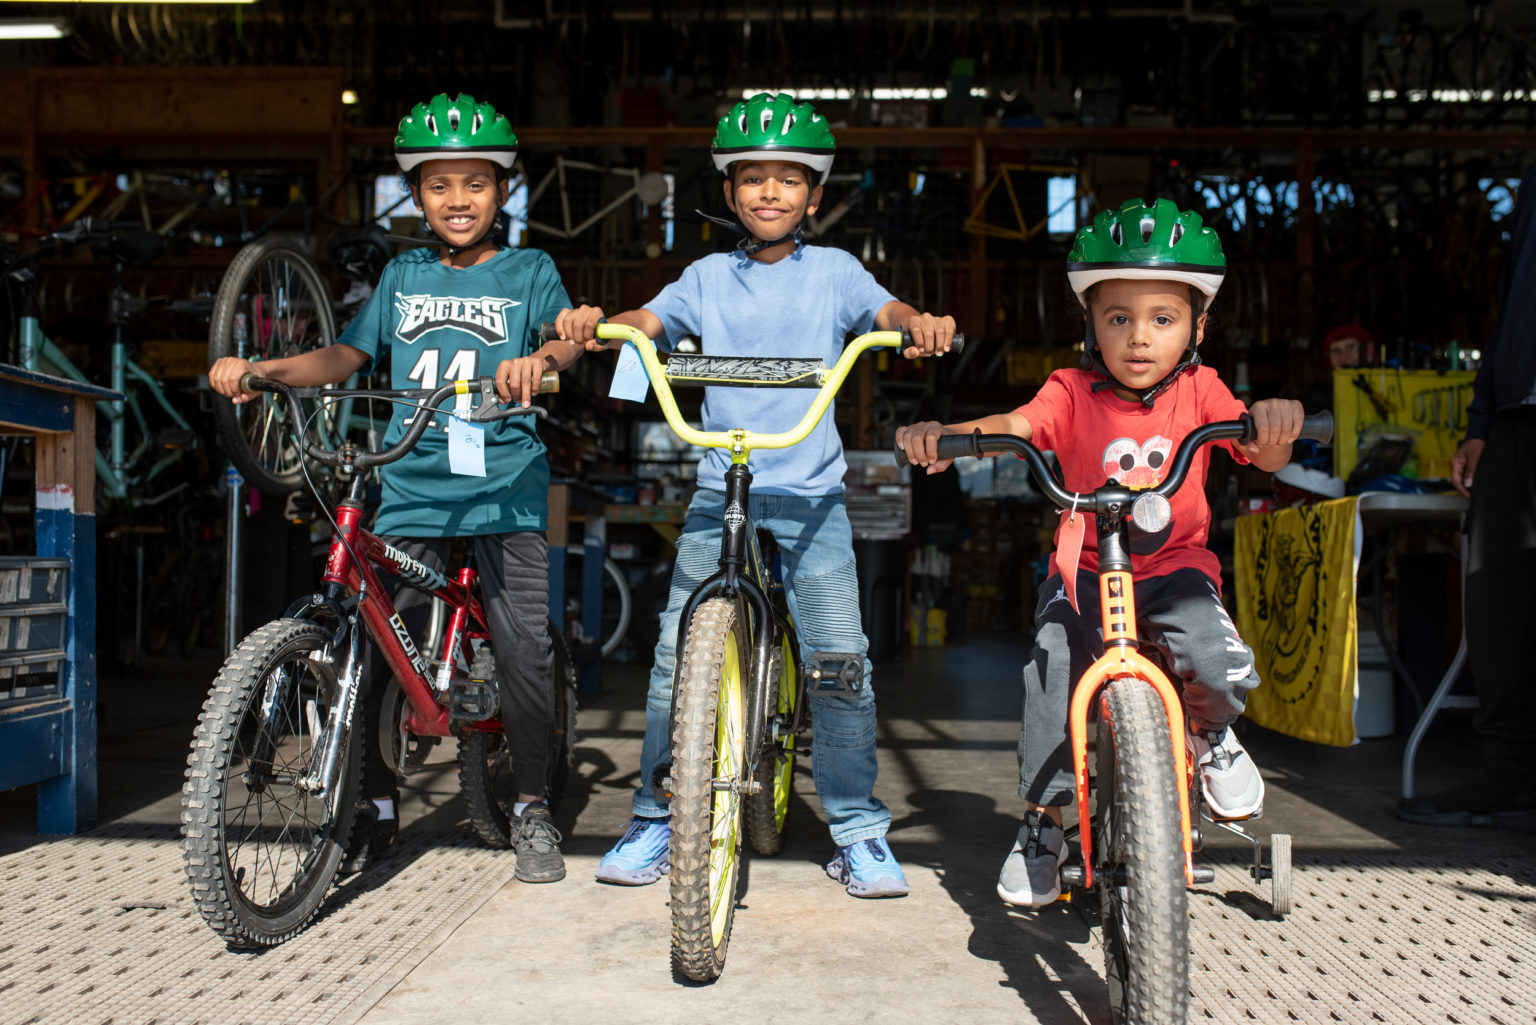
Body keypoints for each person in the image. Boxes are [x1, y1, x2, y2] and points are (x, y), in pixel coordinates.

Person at [563, 92, 955, 898]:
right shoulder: (706, 277)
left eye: (788, 178)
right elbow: (654, 318)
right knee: (677, 655)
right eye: (753, 178)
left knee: (840, 664)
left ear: (814, 194)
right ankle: (655, 817)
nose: (770, 192)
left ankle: (856, 829)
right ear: (730, 190)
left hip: (810, 498)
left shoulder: (834, 273)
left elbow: (881, 309)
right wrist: (610, 323)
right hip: (721, 488)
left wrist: (914, 320)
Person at [208, 93, 598, 883]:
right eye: (439, 185)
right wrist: (268, 370)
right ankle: (374, 805)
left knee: (523, 645)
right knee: (376, 641)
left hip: (502, 487)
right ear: (416, 195)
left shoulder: (531, 270)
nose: (458, 200)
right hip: (411, 482)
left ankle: (529, 804)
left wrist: (543, 360)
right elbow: (349, 357)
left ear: (503, 189)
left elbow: (566, 341)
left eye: (476, 183)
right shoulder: (402, 273)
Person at [896, 198, 1305, 907]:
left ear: (1197, 326)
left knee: (1214, 660)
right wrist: (953, 434)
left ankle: (1210, 734)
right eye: (1118, 317)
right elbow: (1017, 423)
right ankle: (1045, 822)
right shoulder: (1070, 390)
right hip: (1087, 572)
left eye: (1163, 319)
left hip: (1174, 569)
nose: (1139, 337)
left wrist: (1273, 424)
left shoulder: (1203, 390)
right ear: (1090, 323)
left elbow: (1258, 446)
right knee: (1052, 671)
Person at [1397, 167, 1536, 832]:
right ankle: (1509, 771)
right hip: (1516, 419)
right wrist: (1482, 420)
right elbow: (1512, 303)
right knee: (1497, 601)